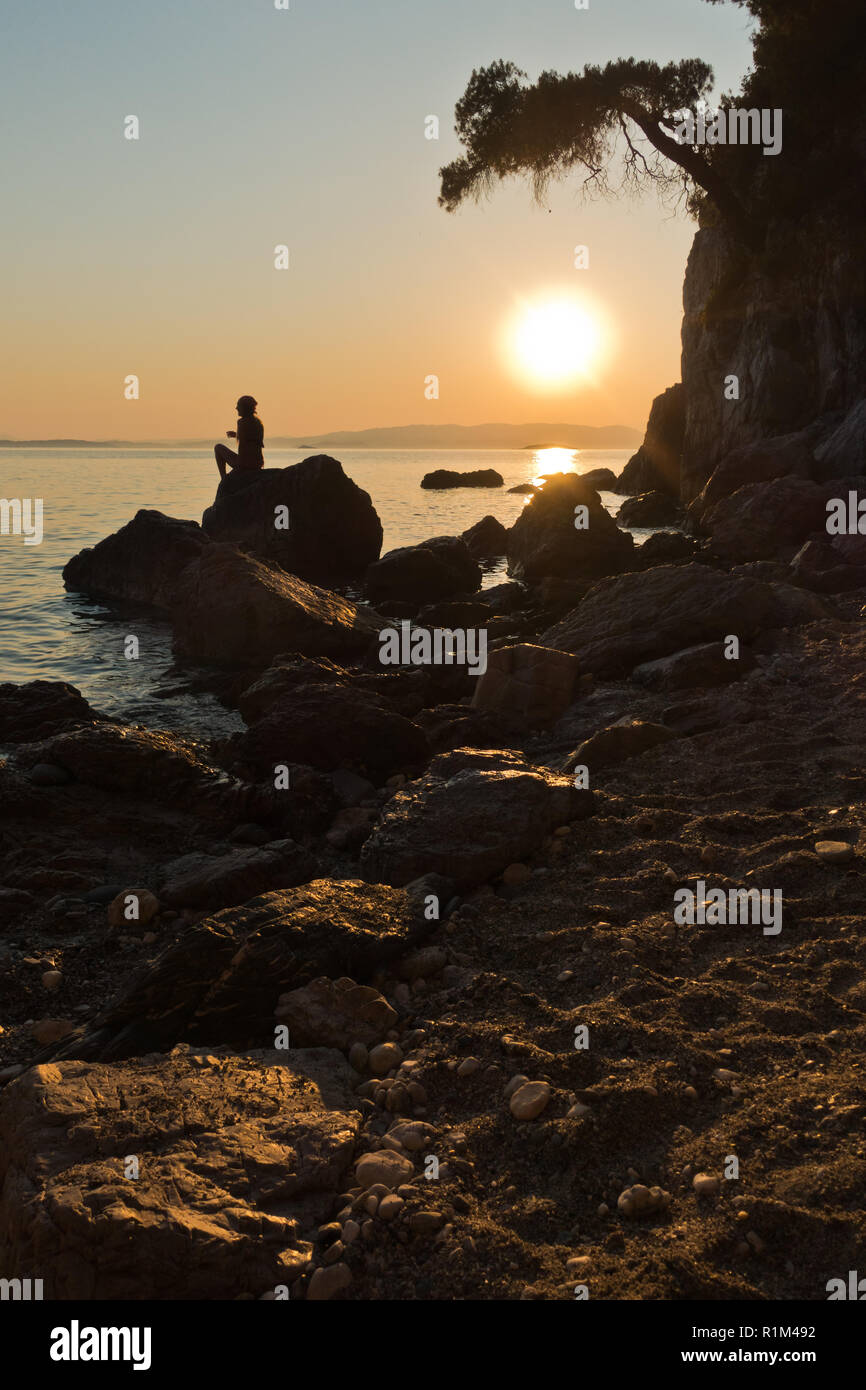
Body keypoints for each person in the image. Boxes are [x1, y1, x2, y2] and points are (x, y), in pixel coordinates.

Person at [214, 396, 265, 479]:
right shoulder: (258, 423)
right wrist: (236, 435)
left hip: (245, 464)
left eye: (238, 405)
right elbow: (251, 439)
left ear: (245, 408)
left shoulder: (241, 422)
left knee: (218, 447)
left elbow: (244, 448)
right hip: (258, 463)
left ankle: (223, 478)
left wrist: (238, 469)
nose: (236, 408)